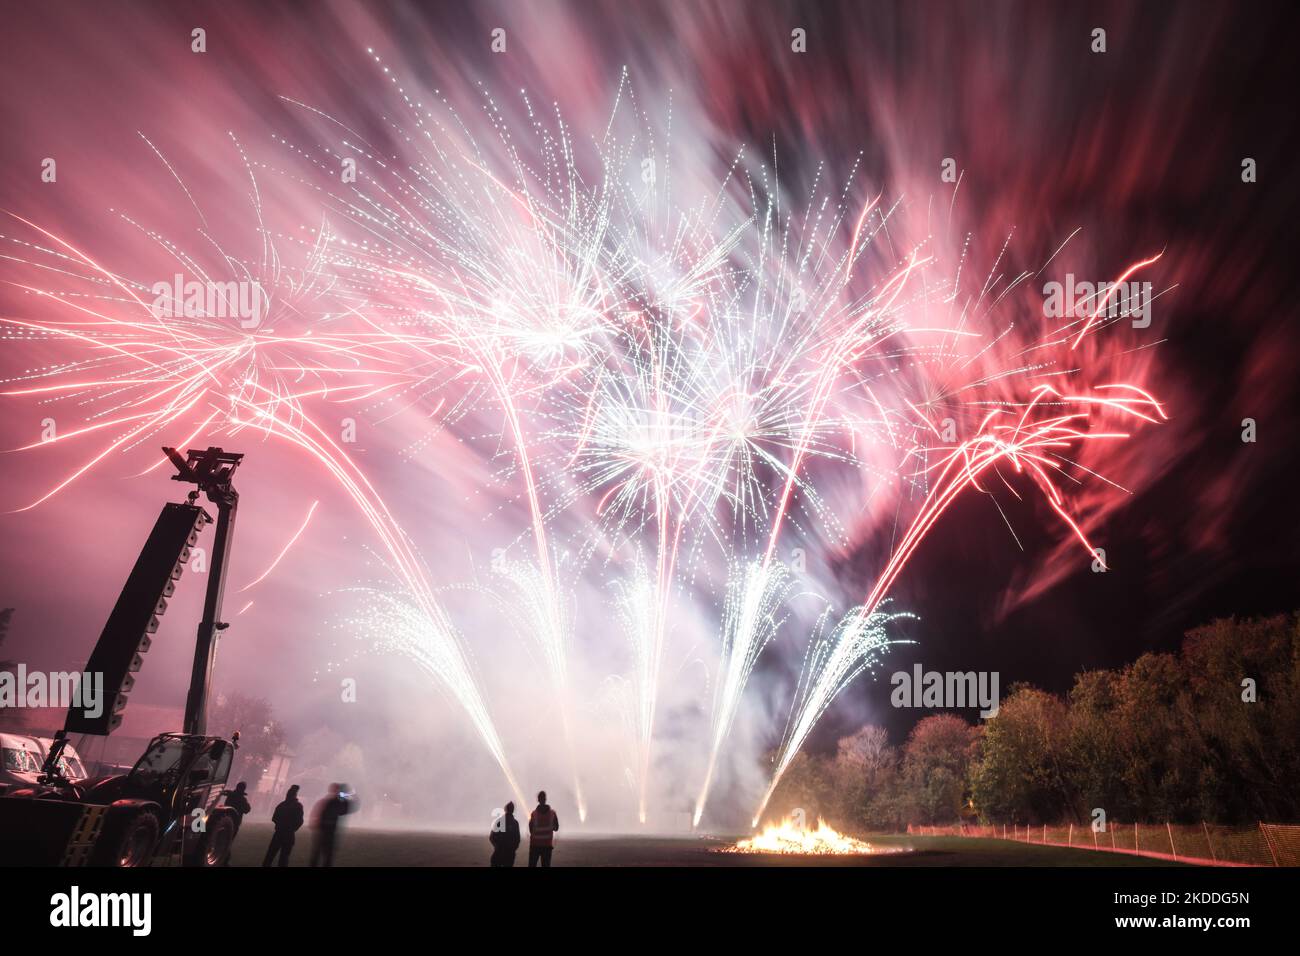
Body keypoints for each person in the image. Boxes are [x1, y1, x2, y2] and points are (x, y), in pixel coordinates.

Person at [310, 782, 356, 867]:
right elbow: (349, 808)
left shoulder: (328, 801)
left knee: (318, 855)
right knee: (326, 856)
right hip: (329, 832)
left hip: (323, 831)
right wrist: (348, 795)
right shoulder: (335, 802)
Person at [262, 784, 304, 867]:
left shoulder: (282, 805)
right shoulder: (298, 806)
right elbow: (300, 821)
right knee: (284, 858)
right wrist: (292, 828)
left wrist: (279, 825)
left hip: (278, 833)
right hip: (289, 834)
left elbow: (274, 818)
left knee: (270, 856)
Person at [527, 790, 559, 867]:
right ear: (545, 799)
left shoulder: (534, 814)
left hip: (535, 845)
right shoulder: (552, 813)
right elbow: (556, 828)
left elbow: (531, 829)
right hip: (547, 846)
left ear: (538, 800)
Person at [489, 801, 521, 867]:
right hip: (510, 853)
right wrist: (513, 849)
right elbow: (517, 839)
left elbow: (491, 837)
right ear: (513, 810)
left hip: (499, 852)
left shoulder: (499, 821)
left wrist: (496, 846)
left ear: (505, 809)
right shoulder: (515, 823)